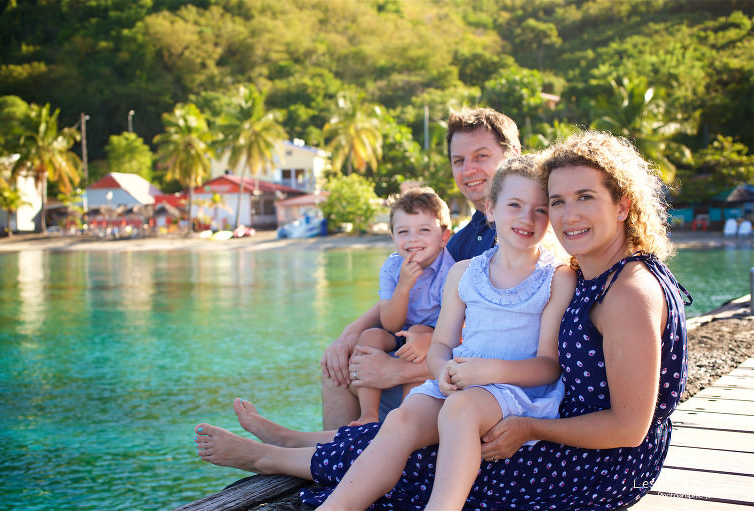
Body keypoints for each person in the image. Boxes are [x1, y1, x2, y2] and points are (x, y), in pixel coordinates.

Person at [194, 131, 691, 510]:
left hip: (596, 462)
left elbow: (628, 429)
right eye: (559, 201)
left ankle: (269, 457)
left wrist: (528, 428)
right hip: (544, 424)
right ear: (494, 211)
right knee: (402, 431)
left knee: (416, 459)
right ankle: (284, 457)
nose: (564, 214)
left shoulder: (627, 291)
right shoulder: (587, 271)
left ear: (624, 204)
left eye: (585, 197)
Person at [316, 155, 577, 510]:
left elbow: (548, 366)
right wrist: (444, 373)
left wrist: (487, 372)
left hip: (516, 390)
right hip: (462, 381)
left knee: (460, 410)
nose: (526, 218)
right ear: (490, 208)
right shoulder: (464, 273)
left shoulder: (556, 277)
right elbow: (440, 345)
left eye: (540, 209)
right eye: (514, 204)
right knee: (402, 417)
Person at [321, 107, 521, 428]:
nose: (468, 169)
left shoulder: (521, 234)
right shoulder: (466, 236)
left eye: (481, 156)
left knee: (363, 373)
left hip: (485, 382)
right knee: (341, 363)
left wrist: (400, 371)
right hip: (444, 354)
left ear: (512, 155)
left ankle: (317, 454)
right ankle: (334, 459)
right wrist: (348, 335)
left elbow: (508, 334)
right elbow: (413, 288)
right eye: (459, 160)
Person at [349, 187, 455, 426]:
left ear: (444, 237)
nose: (413, 239)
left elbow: (457, 324)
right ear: (393, 237)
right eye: (403, 232)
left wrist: (426, 338)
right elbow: (390, 324)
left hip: (432, 338)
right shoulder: (391, 267)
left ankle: (406, 415)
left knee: (417, 331)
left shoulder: (452, 271)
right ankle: (368, 416)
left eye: (424, 230)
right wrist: (404, 286)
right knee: (370, 336)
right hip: (398, 332)